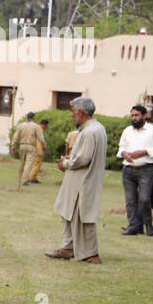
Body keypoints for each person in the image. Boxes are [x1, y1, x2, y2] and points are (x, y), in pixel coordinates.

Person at [46, 97, 107, 264]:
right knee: (70, 214)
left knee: (83, 216)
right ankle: (69, 247)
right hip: (80, 180)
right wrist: (70, 158)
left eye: (73, 112)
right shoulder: (96, 128)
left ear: (81, 112)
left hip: (83, 181)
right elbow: (83, 156)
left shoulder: (90, 131)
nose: (72, 116)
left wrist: (66, 163)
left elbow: (83, 159)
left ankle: (91, 254)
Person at [117, 104, 153, 236]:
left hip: (145, 169)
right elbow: (121, 147)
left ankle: (148, 224)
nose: (134, 118)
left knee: (144, 199)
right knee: (130, 200)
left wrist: (144, 152)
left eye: (136, 115)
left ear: (144, 115)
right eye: (132, 115)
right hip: (128, 168)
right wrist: (123, 153)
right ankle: (133, 226)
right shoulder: (127, 130)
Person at [12, 112, 44, 187]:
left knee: (22, 163)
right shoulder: (36, 126)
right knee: (28, 164)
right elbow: (41, 137)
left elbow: (15, 136)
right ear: (33, 118)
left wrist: (13, 145)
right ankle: (24, 180)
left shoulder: (21, 125)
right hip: (31, 146)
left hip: (22, 145)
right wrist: (44, 144)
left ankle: (20, 178)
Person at [30, 118, 50, 183]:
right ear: (44, 125)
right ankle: (31, 178)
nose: (47, 127)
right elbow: (40, 140)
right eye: (47, 126)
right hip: (38, 150)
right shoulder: (39, 129)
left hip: (35, 148)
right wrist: (44, 147)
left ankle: (34, 178)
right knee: (37, 164)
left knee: (37, 164)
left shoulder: (37, 128)